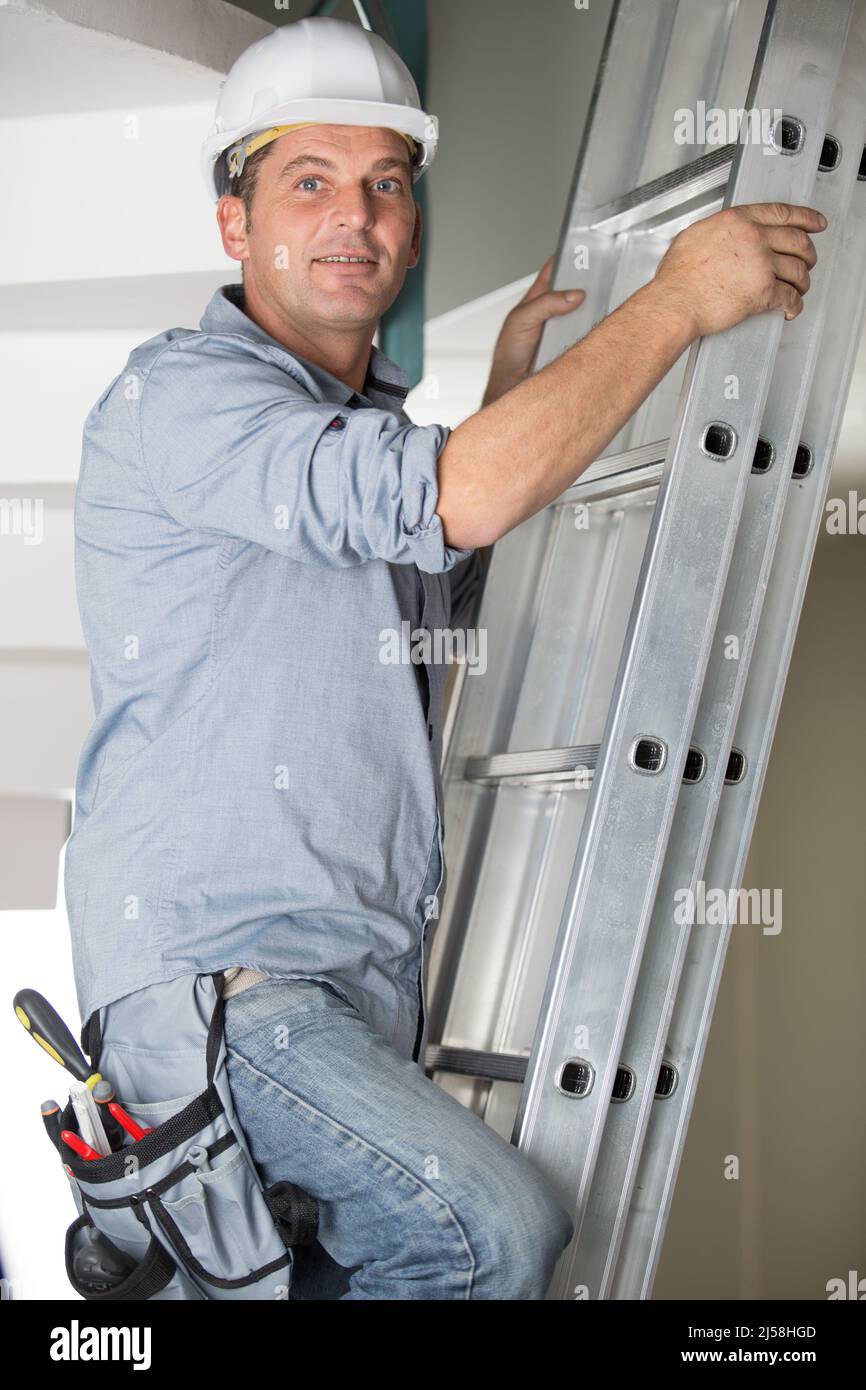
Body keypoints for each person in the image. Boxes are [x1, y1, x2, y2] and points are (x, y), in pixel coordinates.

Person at [64, 16, 825, 1299]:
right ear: (234, 228)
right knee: (488, 1231)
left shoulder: (364, 434)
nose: (354, 215)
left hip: (350, 999)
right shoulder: (181, 399)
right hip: (227, 992)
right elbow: (444, 500)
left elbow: (426, 582)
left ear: (409, 224)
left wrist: (515, 396)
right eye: (307, 182)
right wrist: (677, 303)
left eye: (385, 184)